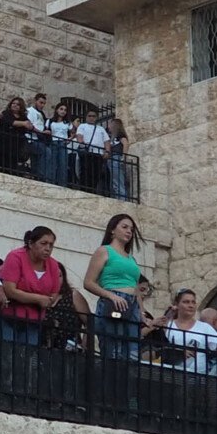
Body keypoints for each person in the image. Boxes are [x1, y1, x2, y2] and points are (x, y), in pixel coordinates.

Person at [82, 214, 144, 360]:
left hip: (132, 306)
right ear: (112, 230)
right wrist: (111, 295)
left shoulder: (131, 258)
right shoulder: (104, 251)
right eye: (124, 227)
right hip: (113, 302)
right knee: (113, 352)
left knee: (133, 353)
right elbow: (88, 282)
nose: (129, 231)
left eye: (131, 229)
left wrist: (142, 312)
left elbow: (135, 287)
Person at [0, 227, 63, 345]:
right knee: (6, 356)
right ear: (31, 244)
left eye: (51, 245)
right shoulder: (16, 257)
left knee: (26, 358)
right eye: (43, 243)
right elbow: (10, 290)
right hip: (7, 317)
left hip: (34, 321)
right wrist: (38, 298)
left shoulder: (53, 265)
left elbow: (54, 295)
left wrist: (28, 297)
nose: (47, 248)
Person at [164, 289, 217, 374]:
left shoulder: (204, 327)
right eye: (186, 302)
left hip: (199, 378)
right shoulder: (168, 326)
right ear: (177, 305)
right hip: (171, 376)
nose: (191, 305)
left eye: (193, 302)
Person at [0, 96, 33, 174]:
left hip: (14, 146)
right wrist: (23, 124)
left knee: (10, 168)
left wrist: (28, 125)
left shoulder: (23, 117)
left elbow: (29, 126)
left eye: (18, 104)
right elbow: (8, 122)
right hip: (1, 142)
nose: (15, 105)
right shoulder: (6, 113)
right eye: (13, 103)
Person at [73, 108, 111, 194]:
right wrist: (82, 143)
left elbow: (107, 141)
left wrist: (107, 151)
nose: (91, 118)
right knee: (85, 173)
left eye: (93, 116)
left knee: (96, 174)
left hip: (98, 154)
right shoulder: (82, 126)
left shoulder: (101, 129)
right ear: (86, 117)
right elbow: (79, 136)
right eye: (89, 116)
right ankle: (84, 190)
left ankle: (92, 190)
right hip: (87, 152)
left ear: (96, 117)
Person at [26, 93, 51, 181]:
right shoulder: (30, 111)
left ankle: (36, 175)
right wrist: (42, 132)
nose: (42, 105)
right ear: (35, 101)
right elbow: (29, 125)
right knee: (46, 152)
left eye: (44, 103)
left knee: (36, 158)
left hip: (39, 139)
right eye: (41, 102)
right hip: (31, 139)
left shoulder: (42, 114)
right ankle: (42, 177)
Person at [46, 102, 73, 187]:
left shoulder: (67, 123)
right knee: (52, 164)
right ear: (57, 110)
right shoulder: (50, 121)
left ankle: (62, 185)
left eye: (65, 110)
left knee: (63, 164)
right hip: (53, 142)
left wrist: (69, 139)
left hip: (62, 143)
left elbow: (73, 133)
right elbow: (47, 131)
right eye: (61, 109)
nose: (63, 111)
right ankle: (51, 183)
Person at [107, 117, 131, 201]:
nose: (108, 126)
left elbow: (125, 144)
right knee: (114, 182)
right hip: (112, 159)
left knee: (118, 181)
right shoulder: (112, 138)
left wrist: (123, 157)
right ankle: (118, 197)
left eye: (110, 124)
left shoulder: (121, 137)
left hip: (116, 159)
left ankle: (122, 199)